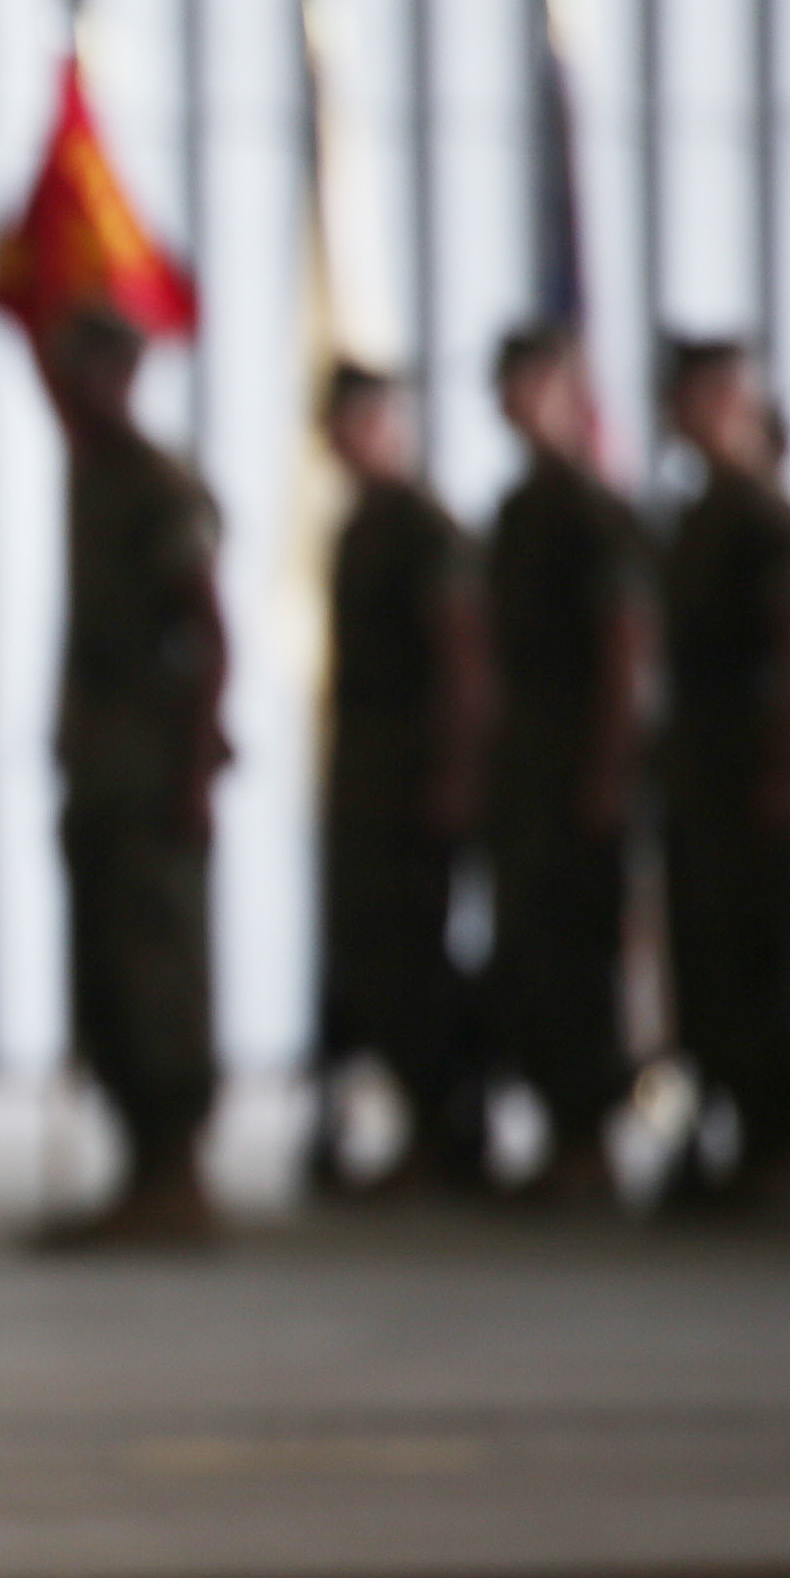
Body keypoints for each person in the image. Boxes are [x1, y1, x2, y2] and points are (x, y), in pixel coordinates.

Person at [40, 309, 230, 1250]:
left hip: (154, 763)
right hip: (106, 763)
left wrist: (194, 770)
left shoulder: (157, 484)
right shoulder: (93, 481)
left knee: (158, 964)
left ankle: (176, 1168)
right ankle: (141, 1171)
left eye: (99, 372)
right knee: (109, 965)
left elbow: (209, 637)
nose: (81, 392)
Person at [653, 338, 790, 1215]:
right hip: (702, 766)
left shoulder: (767, 519)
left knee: (764, 957)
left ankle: (786, 1144)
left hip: (751, 764)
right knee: (709, 955)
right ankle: (741, 1135)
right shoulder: (701, 516)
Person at [482, 321, 650, 1210]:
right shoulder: (519, 510)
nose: (518, 401)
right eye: (508, 384)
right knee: (531, 954)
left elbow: (625, 648)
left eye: (535, 381)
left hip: (575, 764)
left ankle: (590, 1139)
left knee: (578, 952)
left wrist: (608, 769)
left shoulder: (590, 511)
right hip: (528, 767)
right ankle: (559, 1133)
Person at [309, 361, 485, 1202]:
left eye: (366, 419)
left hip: (412, 772)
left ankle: (446, 1130)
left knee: (415, 957)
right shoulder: (360, 527)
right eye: (340, 421)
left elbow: (461, 656)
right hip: (367, 776)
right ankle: (420, 1127)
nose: (351, 437)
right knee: (371, 958)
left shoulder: (421, 528)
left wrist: (452, 770)